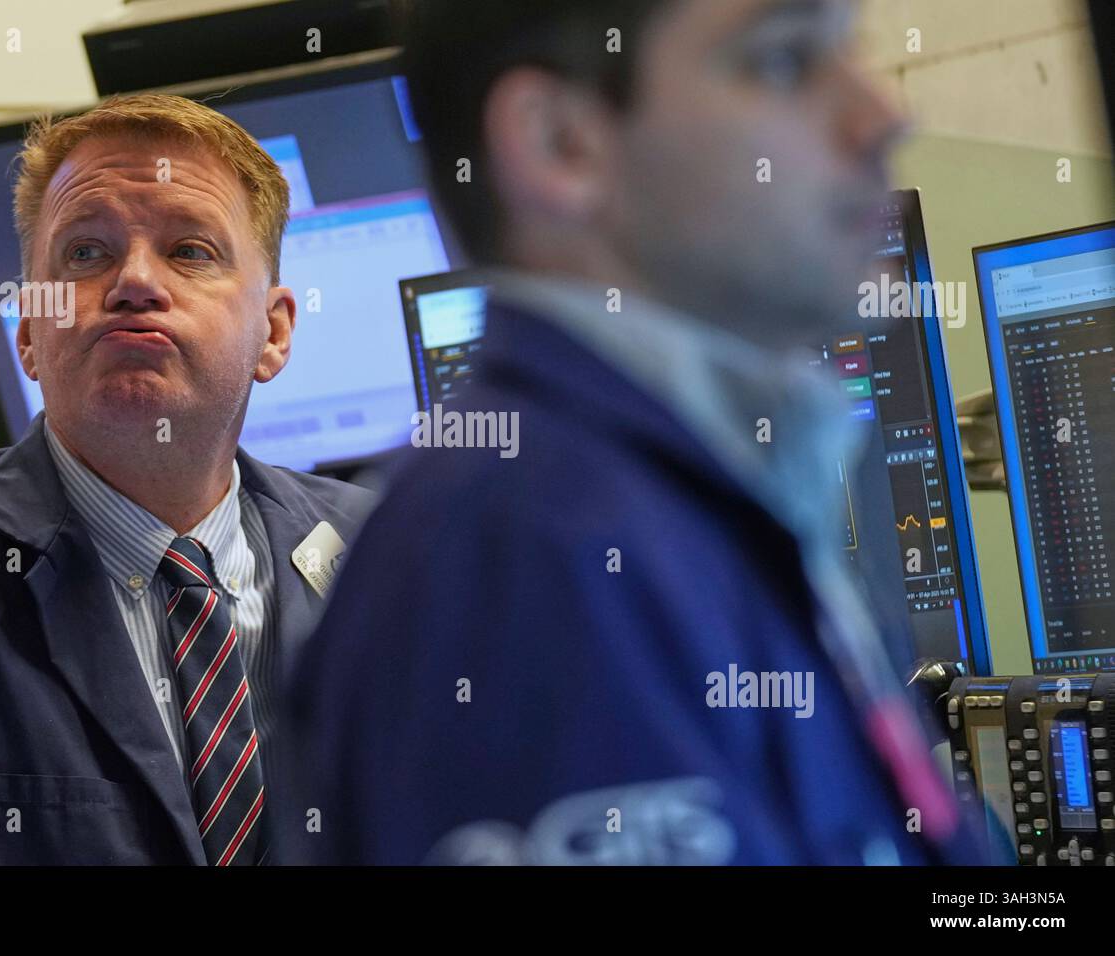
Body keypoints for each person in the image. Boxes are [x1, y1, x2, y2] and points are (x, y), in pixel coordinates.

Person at [284, 0, 984, 864]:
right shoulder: (525, 554)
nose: (883, 114)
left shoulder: (690, 503)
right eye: (784, 60)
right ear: (559, 146)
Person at [0, 94, 371, 865]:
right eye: (85, 254)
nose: (134, 283)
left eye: (190, 252)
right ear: (30, 337)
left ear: (272, 333)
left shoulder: (394, 560)